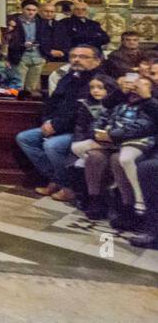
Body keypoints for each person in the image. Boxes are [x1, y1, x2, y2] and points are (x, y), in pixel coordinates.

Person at [15, 44, 103, 199]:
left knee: (52, 145)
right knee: (25, 138)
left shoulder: (98, 81)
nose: (76, 60)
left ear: (97, 61)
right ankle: (57, 180)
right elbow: (52, 102)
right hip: (57, 124)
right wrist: (46, 121)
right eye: (73, 56)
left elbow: (81, 111)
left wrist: (55, 126)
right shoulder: (69, 77)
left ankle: (68, 187)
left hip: (81, 130)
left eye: (83, 57)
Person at [83, 73, 157, 231]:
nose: (134, 89)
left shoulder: (149, 104)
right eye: (133, 86)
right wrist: (96, 132)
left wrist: (112, 135)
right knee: (94, 156)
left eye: (139, 86)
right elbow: (104, 112)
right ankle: (96, 199)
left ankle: (128, 206)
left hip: (135, 143)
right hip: (113, 141)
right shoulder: (121, 101)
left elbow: (145, 126)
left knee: (118, 160)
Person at [70, 73, 124, 216]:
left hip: (120, 142)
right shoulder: (86, 104)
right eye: (92, 87)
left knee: (113, 159)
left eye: (100, 87)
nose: (95, 91)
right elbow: (82, 127)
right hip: (98, 141)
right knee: (91, 157)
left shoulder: (119, 105)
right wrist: (92, 136)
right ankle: (94, 199)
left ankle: (122, 203)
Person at [5, 0, 54, 96]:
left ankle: (27, 106)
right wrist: (22, 44)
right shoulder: (14, 22)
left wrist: (45, 55)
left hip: (37, 56)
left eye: (34, 10)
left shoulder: (42, 22)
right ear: (22, 9)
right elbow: (8, 38)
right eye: (28, 9)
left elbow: (47, 39)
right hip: (21, 55)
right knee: (18, 85)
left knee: (31, 88)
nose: (31, 12)